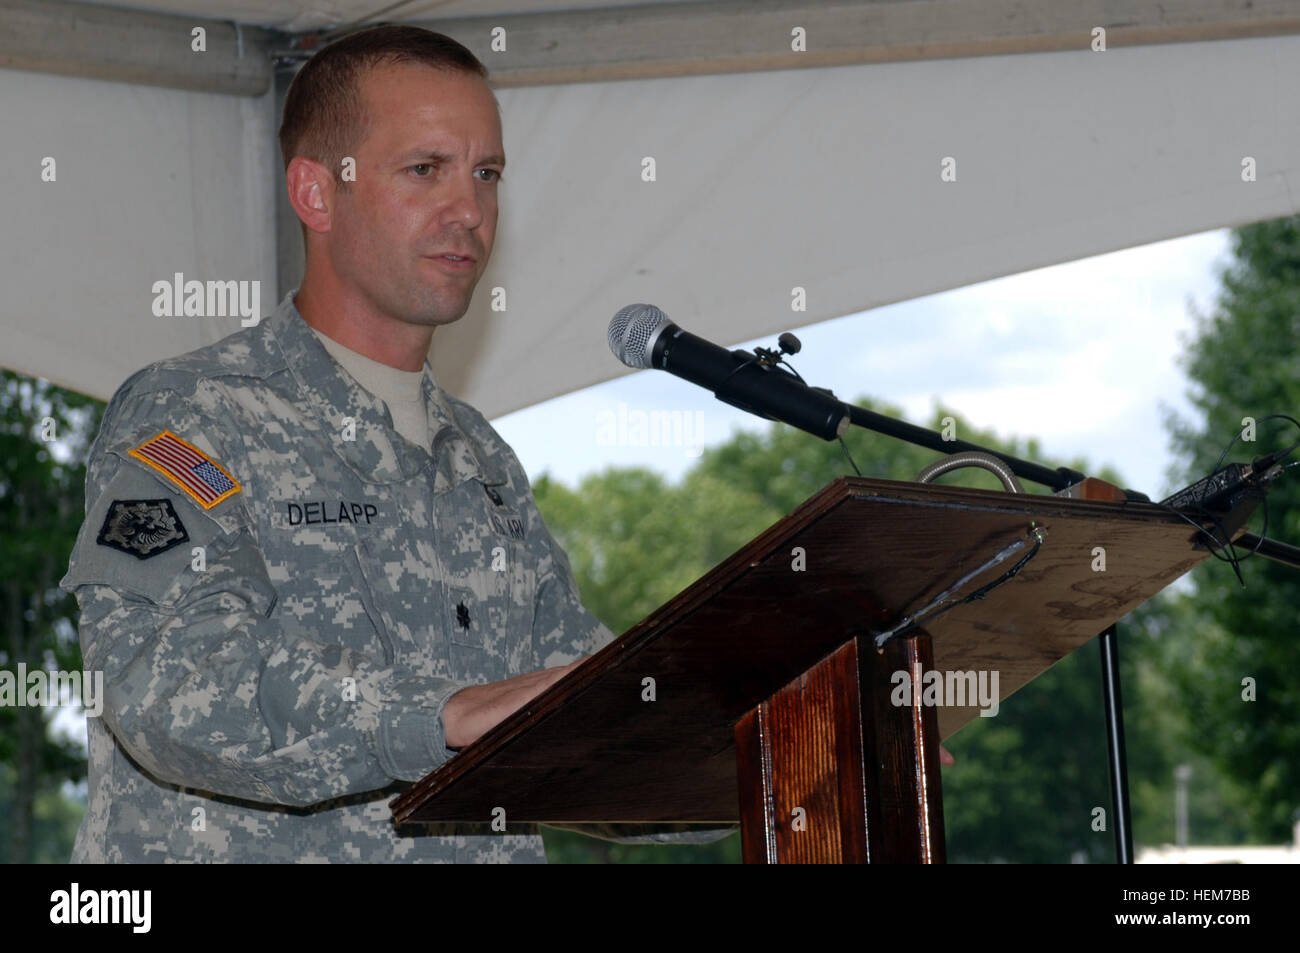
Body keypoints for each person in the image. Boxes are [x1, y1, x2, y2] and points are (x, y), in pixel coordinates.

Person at [59, 25, 726, 863]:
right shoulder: (194, 414)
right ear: (315, 193)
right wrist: (439, 714)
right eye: (426, 170)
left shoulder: (480, 458)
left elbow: (591, 714)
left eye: (487, 174)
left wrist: (790, 738)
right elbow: (169, 681)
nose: (470, 210)